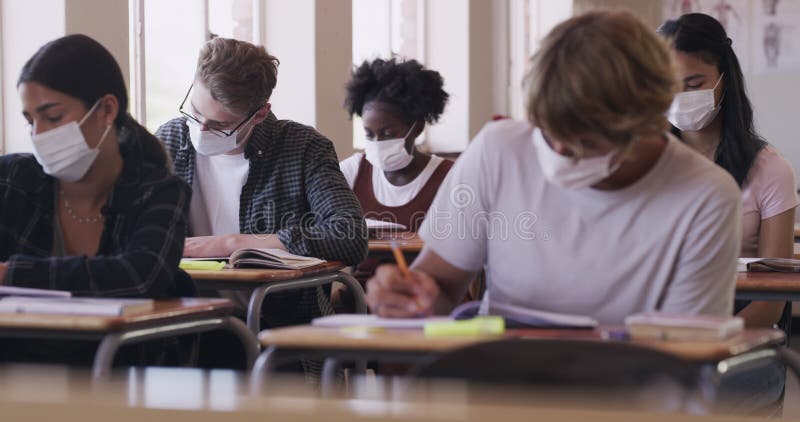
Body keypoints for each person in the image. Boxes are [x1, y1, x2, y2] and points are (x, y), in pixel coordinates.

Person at [366, 11, 741, 327]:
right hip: (499, 390)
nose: (559, 150)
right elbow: (442, 287)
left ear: (643, 121)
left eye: (582, 140)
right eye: (547, 131)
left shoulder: (705, 196)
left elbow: (687, 360)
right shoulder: (500, 150)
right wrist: (411, 295)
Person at [0, 34, 192, 364]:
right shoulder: (11, 179)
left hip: (117, 378)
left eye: (53, 117)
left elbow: (138, 275)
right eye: (30, 120)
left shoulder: (159, 191)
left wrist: (8, 274)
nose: (38, 135)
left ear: (106, 109)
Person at [156, 37, 367, 329]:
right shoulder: (169, 140)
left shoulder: (303, 148)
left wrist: (232, 243)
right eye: (194, 112)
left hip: (279, 322)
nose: (201, 130)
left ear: (260, 114)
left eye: (220, 125)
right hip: (184, 319)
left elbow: (349, 235)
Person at [659, 13, 799, 329]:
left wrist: (709, 342)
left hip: (739, 333)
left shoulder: (771, 171)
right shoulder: (648, 163)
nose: (680, 98)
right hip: (660, 328)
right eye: (668, 86)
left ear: (725, 78)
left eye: (694, 84)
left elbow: (770, 302)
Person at [340, 58, 453, 231]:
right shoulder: (353, 172)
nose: (377, 143)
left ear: (418, 127)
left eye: (388, 134)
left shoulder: (449, 178)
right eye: (369, 134)